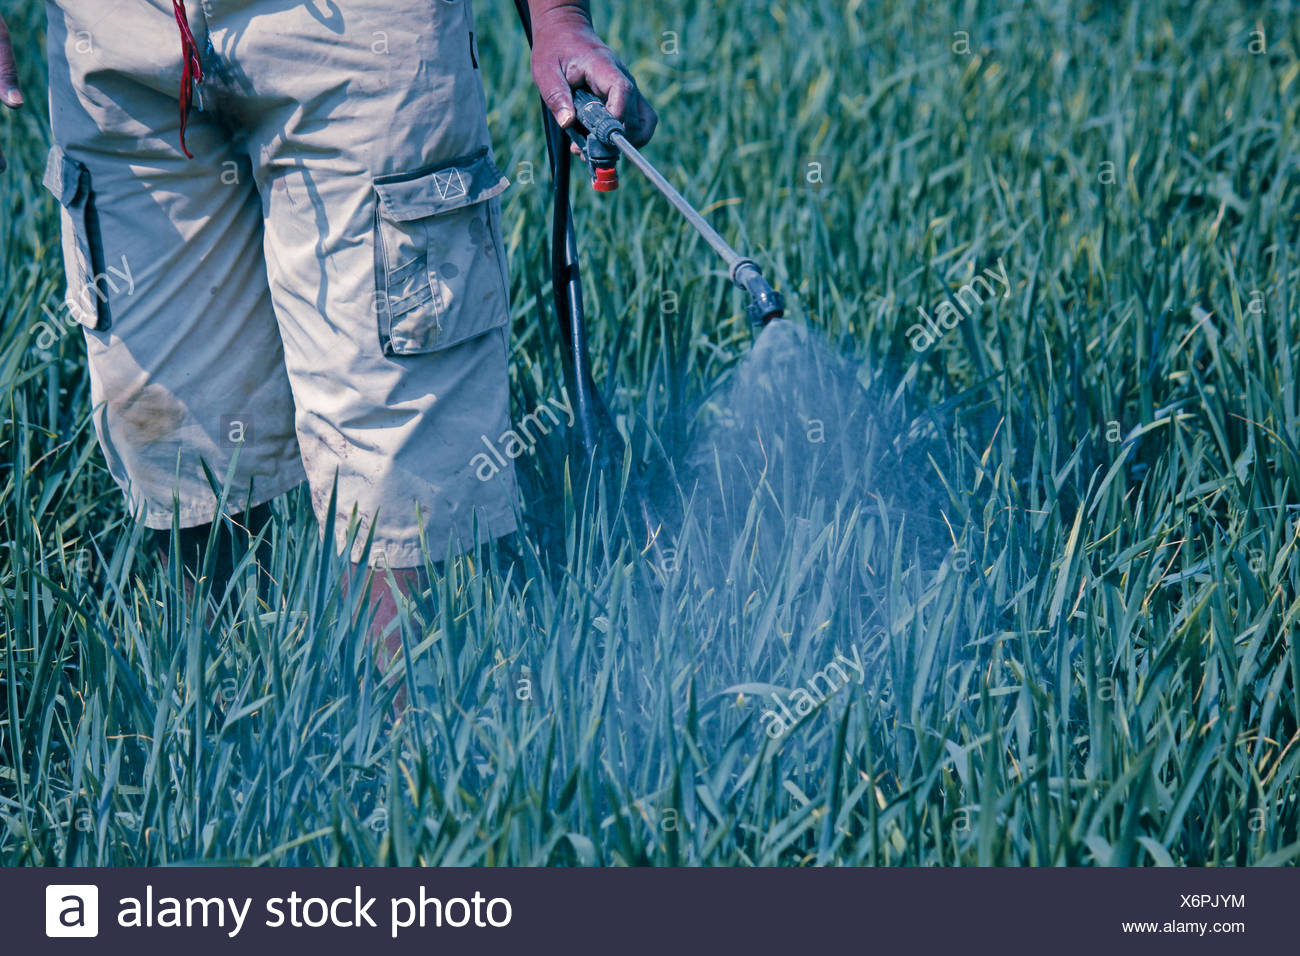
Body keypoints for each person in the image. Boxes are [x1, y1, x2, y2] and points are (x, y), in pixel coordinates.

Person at [0, 2, 655, 689]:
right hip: (113, 34)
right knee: (172, 432)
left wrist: (557, 17)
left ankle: (418, 765)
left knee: (395, 462)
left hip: (361, 32)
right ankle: (220, 739)